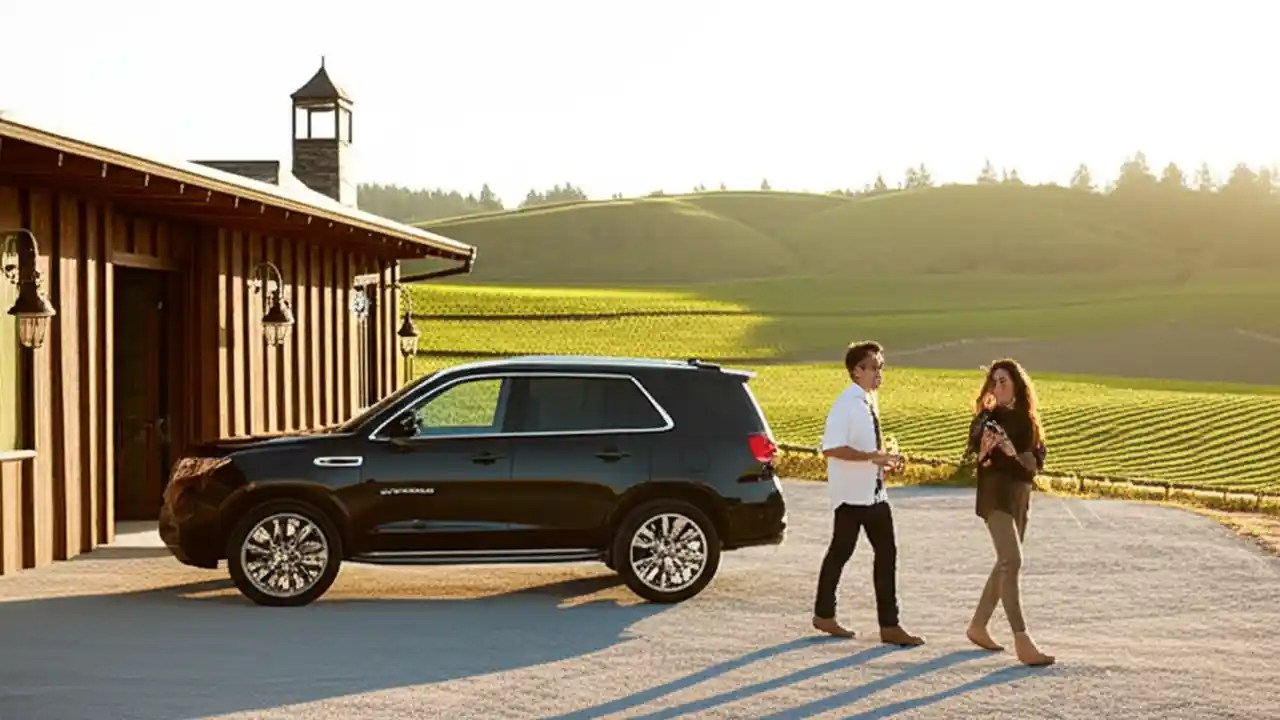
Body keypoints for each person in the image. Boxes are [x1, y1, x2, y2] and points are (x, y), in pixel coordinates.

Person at [811, 340, 924, 646]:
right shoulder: (846, 404)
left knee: (885, 554)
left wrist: (884, 466)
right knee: (842, 552)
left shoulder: (868, 402)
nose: (878, 373)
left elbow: (867, 451)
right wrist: (873, 458)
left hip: (874, 494)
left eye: (880, 367)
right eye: (873, 367)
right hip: (851, 497)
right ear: (856, 371)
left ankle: (889, 625)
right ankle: (826, 615)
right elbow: (831, 448)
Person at [963, 358, 1055, 666]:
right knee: (1012, 561)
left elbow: (1035, 460)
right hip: (995, 494)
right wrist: (993, 447)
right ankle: (1022, 640)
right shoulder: (988, 419)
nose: (998, 386)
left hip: (1020, 495)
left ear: (1017, 383)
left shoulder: (1028, 420)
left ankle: (978, 625)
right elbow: (977, 450)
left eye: (1003, 380)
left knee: (1005, 562)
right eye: (994, 381)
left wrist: (1019, 455)